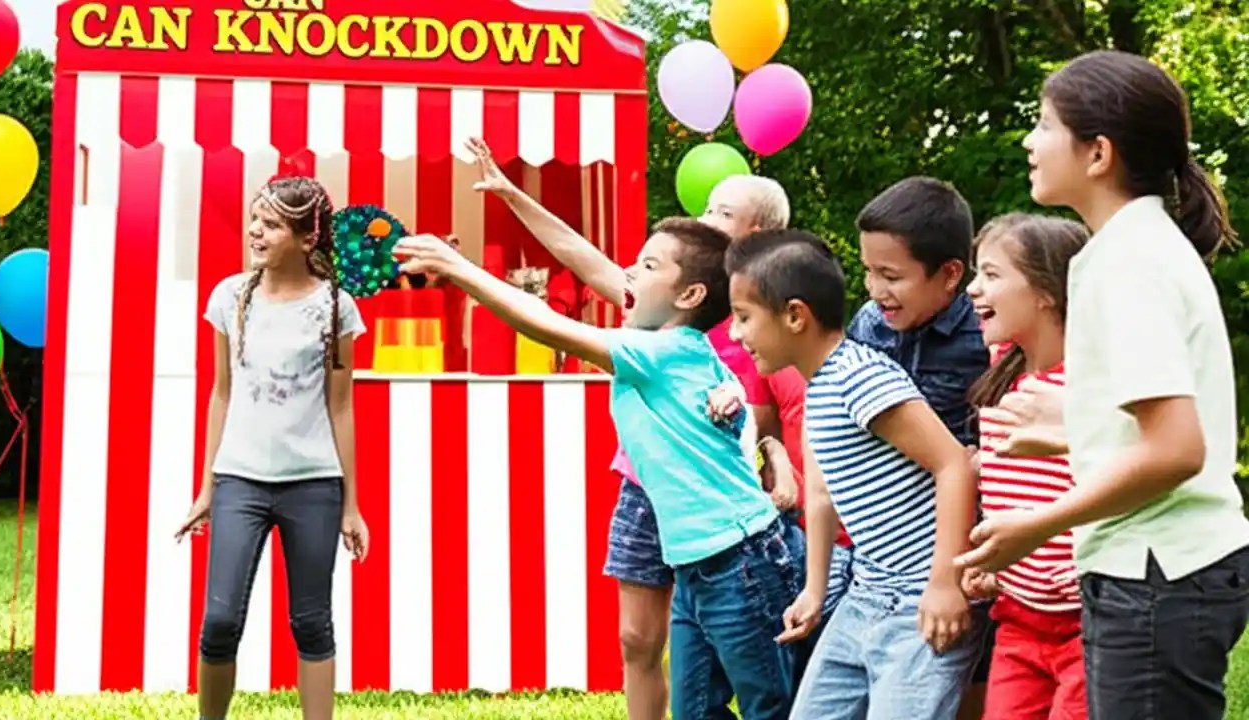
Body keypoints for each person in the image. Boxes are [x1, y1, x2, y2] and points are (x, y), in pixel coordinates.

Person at [463, 137, 827, 717]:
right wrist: (512, 195)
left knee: (742, 665)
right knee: (642, 641)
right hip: (649, 489)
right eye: (705, 209)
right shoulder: (657, 306)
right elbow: (581, 256)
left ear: (755, 236)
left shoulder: (756, 321)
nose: (705, 218)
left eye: (722, 213)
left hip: (724, 513)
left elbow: (779, 414)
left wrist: (772, 453)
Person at [396, 219, 805, 720]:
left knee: (773, 705)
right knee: (696, 708)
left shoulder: (659, 353)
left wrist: (460, 269)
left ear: (690, 294)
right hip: (701, 565)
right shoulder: (690, 355)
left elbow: (547, 326)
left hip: (740, 563)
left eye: (649, 266)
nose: (629, 274)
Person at [955, 49, 1249, 720]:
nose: (1030, 140)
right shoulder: (1129, 250)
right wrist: (1076, 421)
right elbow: (1167, 428)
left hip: (1157, 575)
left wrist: (1037, 524)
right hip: (1164, 574)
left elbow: (1177, 451)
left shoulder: (1127, 263)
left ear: (1098, 155)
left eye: (1045, 124)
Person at [725, 229, 986, 720]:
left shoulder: (860, 377)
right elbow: (820, 494)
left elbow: (953, 465)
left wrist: (945, 585)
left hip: (917, 602)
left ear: (795, 315)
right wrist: (815, 590)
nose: (736, 334)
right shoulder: (819, 386)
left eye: (744, 318)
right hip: (864, 594)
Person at [174, 176, 370, 720]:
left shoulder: (336, 307)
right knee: (219, 622)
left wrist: (350, 504)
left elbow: (341, 407)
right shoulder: (228, 297)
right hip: (240, 480)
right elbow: (221, 393)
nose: (255, 231)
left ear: (307, 239)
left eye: (272, 224)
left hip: (314, 484)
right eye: (255, 218)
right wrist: (208, 486)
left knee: (312, 622)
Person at [845, 176, 994, 717]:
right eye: (867, 271)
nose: (874, 289)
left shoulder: (987, 331)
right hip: (891, 543)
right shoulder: (870, 325)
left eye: (891, 275)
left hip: (969, 538)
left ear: (951, 274)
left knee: (970, 679)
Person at [962, 213, 1089, 720]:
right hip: (1017, 617)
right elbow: (1008, 488)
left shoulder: (1088, 384)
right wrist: (996, 564)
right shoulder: (1001, 368)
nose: (973, 289)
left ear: (1047, 292)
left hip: (1084, 619)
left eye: (991, 275)